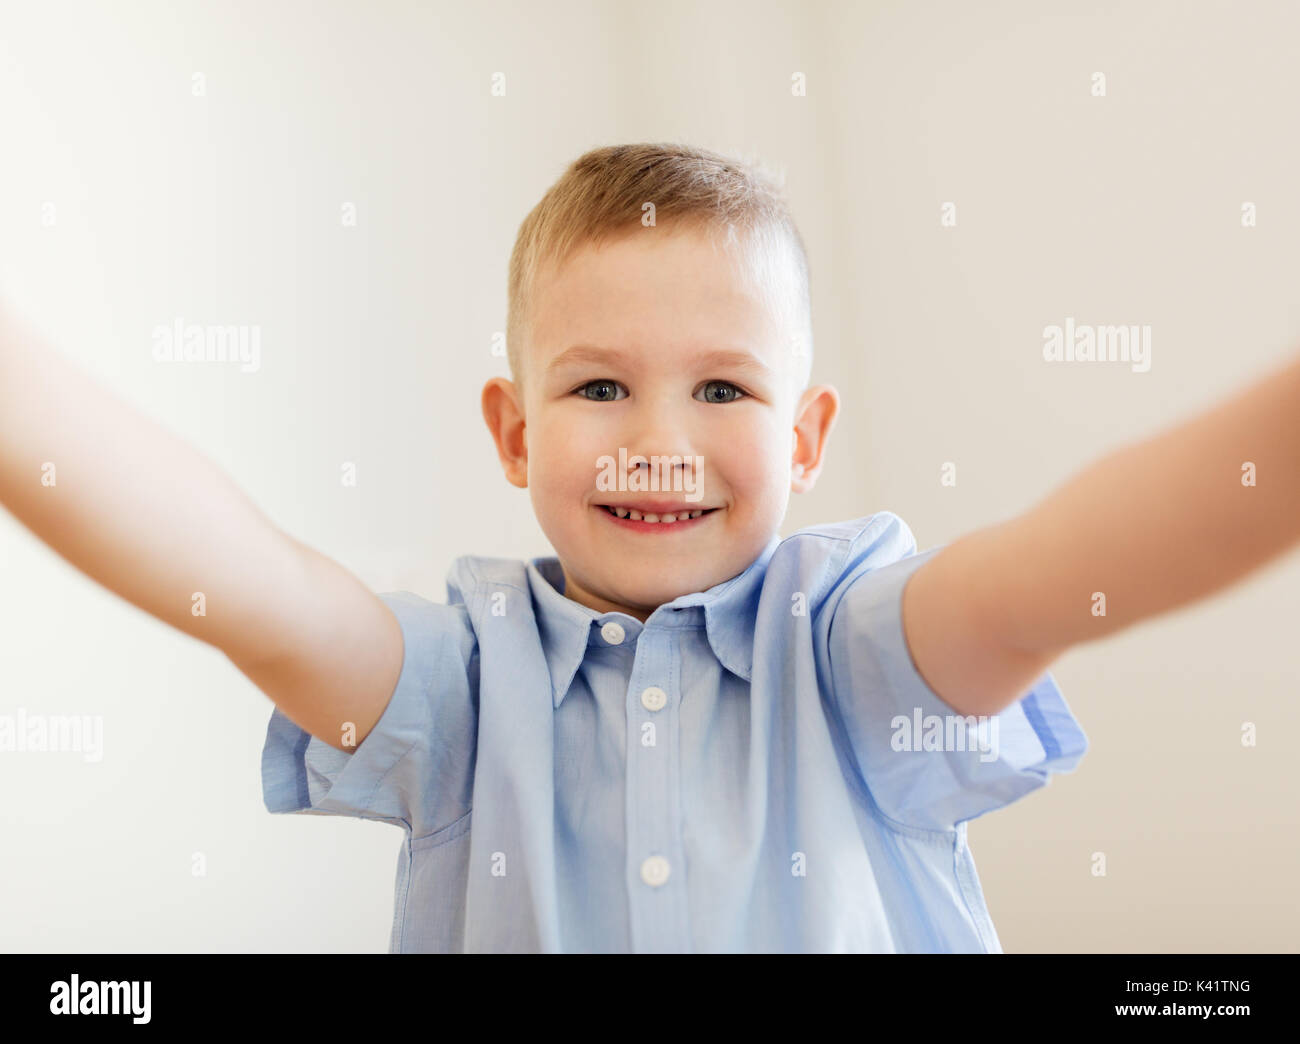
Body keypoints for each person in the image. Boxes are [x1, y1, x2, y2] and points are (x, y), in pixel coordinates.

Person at [2, 142, 1297, 952]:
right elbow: (247, 586)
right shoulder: (457, 683)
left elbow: (1066, 565)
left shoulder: (853, 649)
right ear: (513, 431)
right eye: (600, 389)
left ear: (805, 439)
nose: (660, 442)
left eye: (724, 391)